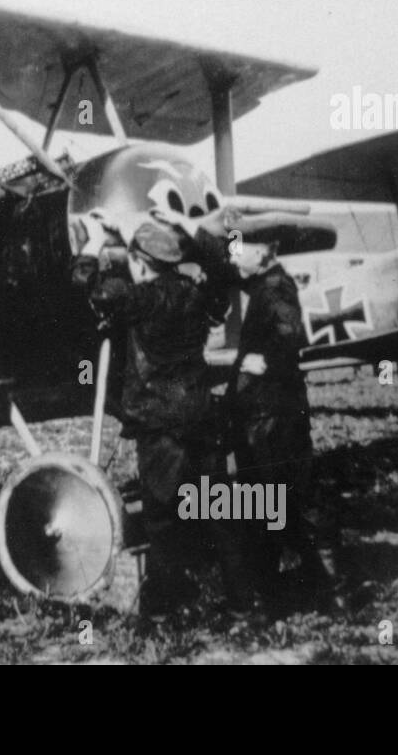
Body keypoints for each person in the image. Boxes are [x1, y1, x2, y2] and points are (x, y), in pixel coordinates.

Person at [71, 204, 251, 617]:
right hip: (202, 414)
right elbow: (223, 270)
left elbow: (86, 282)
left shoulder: (138, 300)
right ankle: (243, 604)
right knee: (220, 511)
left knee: (162, 517)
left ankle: (164, 607)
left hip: (159, 423)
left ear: (139, 262)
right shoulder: (198, 294)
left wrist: (97, 243)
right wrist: (180, 234)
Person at [227, 243, 333, 612]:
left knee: (271, 492)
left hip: (270, 412)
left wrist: (266, 361)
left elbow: (288, 333)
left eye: (240, 249)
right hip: (274, 408)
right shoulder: (266, 282)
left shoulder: (273, 288)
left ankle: (287, 588)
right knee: (279, 494)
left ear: (264, 252)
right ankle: (298, 582)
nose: (233, 255)